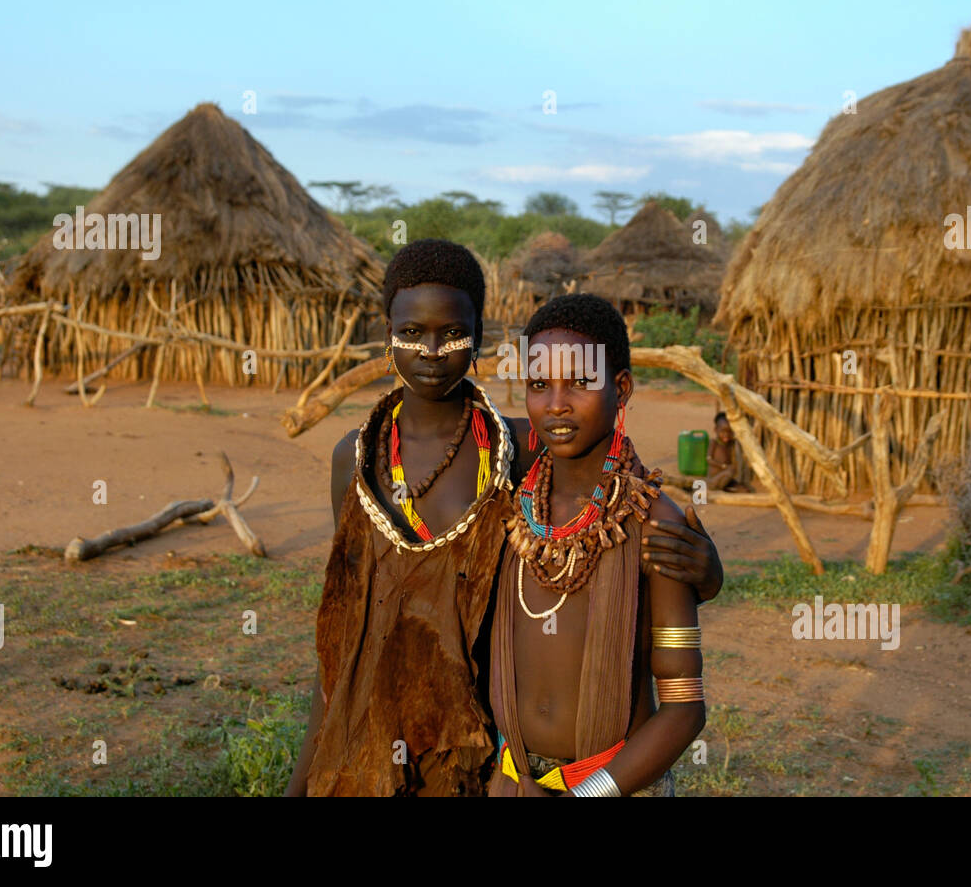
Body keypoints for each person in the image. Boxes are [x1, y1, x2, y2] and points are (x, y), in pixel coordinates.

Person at [287, 241, 723, 796]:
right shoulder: (355, 460)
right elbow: (342, 628)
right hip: (380, 732)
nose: (431, 350)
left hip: (482, 749)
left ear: (479, 336)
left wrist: (707, 575)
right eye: (411, 332)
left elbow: (606, 498)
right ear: (386, 330)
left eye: (452, 333)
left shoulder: (516, 448)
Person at [489, 294, 709, 797]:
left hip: (616, 784)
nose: (556, 403)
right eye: (539, 384)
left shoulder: (653, 522)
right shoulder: (514, 506)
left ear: (622, 388)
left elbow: (683, 708)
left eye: (581, 382)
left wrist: (587, 795)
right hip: (514, 780)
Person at [706, 410, 746, 491]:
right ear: (716, 430)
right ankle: (721, 488)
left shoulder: (731, 443)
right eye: (723, 431)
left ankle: (728, 487)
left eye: (729, 432)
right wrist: (723, 466)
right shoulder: (714, 443)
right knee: (730, 471)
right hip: (714, 479)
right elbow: (708, 459)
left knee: (744, 489)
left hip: (726, 475)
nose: (726, 435)